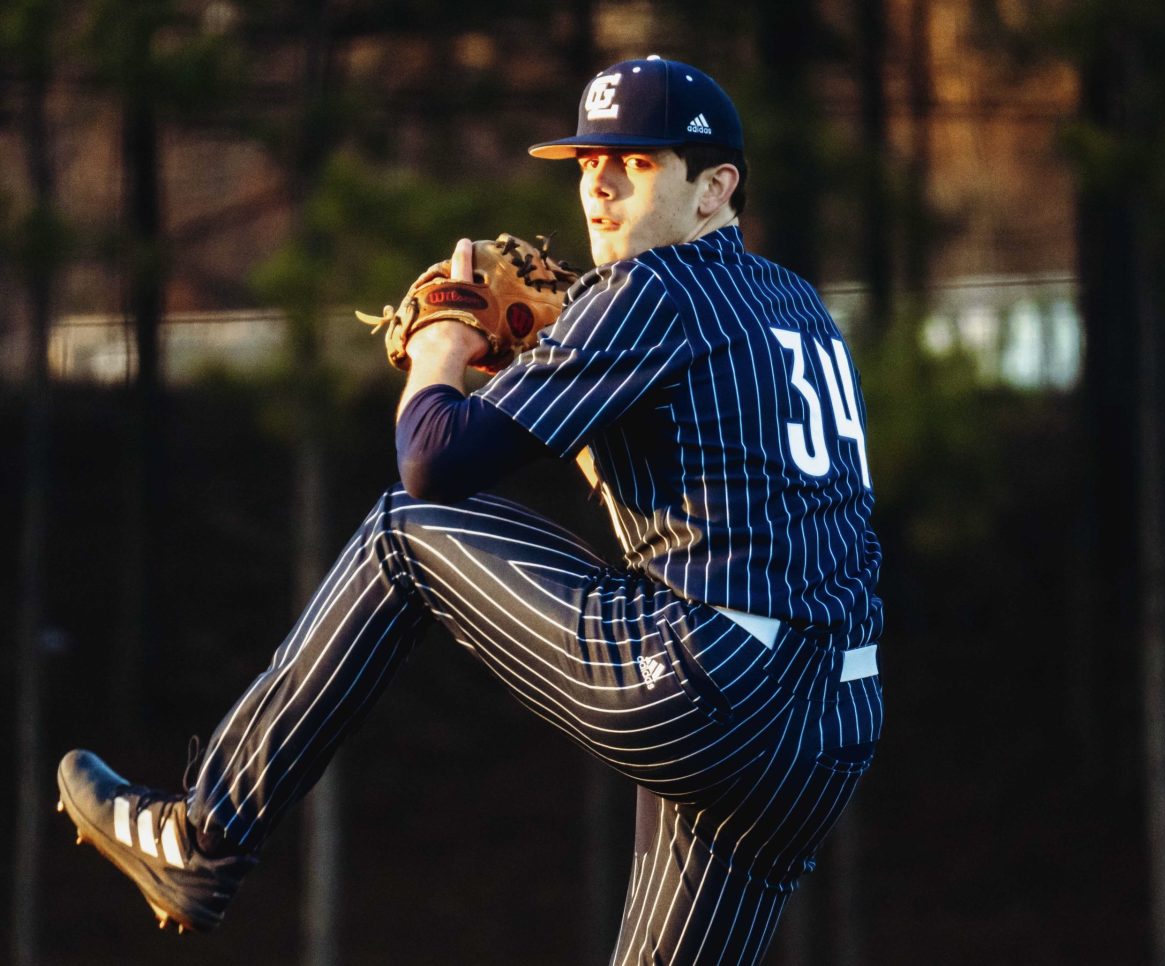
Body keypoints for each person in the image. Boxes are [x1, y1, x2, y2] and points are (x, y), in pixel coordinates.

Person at [57, 55, 884, 964]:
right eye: (586, 164)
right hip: (832, 726)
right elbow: (708, 495)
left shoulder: (652, 289)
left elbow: (432, 463)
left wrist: (441, 348)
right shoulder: (796, 303)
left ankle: (200, 838)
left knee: (401, 538)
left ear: (715, 186)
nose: (600, 185)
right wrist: (544, 384)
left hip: (711, 684)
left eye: (638, 163)